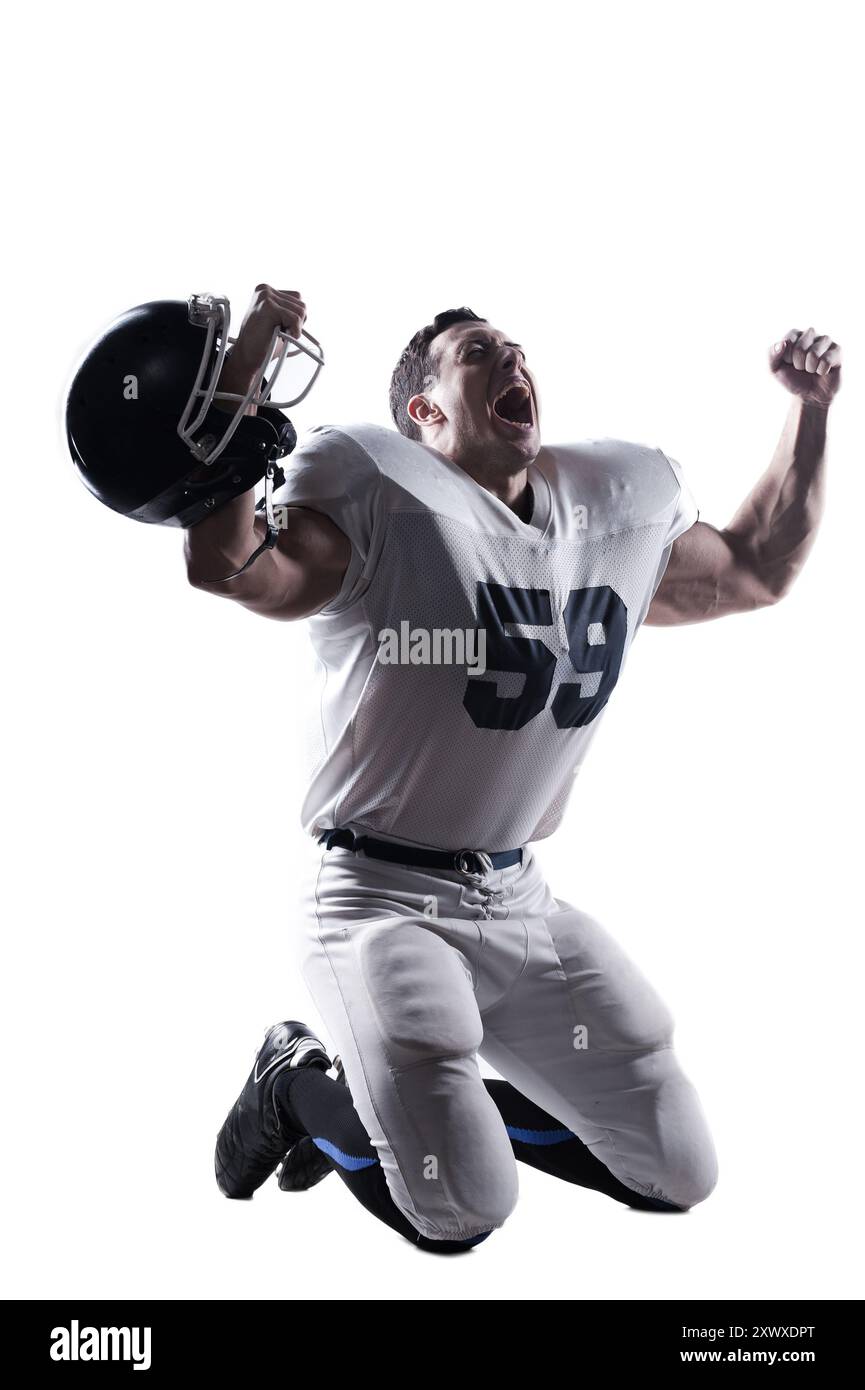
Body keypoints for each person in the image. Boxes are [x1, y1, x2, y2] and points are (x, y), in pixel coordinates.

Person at [192, 285, 841, 1253]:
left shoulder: (602, 517)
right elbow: (234, 564)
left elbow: (755, 568)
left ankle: (417, 1106)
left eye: (517, 349)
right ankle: (296, 1082)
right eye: (477, 353)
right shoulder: (381, 506)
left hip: (517, 895)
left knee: (675, 1168)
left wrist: (810, 413)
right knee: (458, 1207)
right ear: (424, 413)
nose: (512, 361)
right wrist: (241, 381)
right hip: (375, 897)